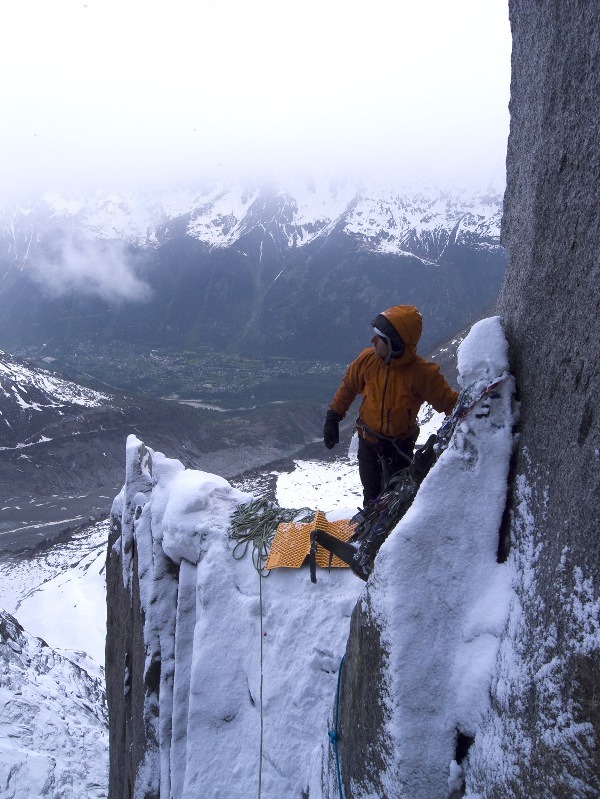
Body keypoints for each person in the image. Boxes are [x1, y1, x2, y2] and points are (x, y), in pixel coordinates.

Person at [323, 305, 458, 504]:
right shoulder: (368, 359)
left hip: (398, 449)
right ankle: (371, 528)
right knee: (371, 495)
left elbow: (451, 404)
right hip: (368, 442)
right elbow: (349, 386)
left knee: (396, 498)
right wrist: (333, 416)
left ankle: (391, 532)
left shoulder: (422, 374)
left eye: (380, 338)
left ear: (395, 343)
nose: (373, 341)